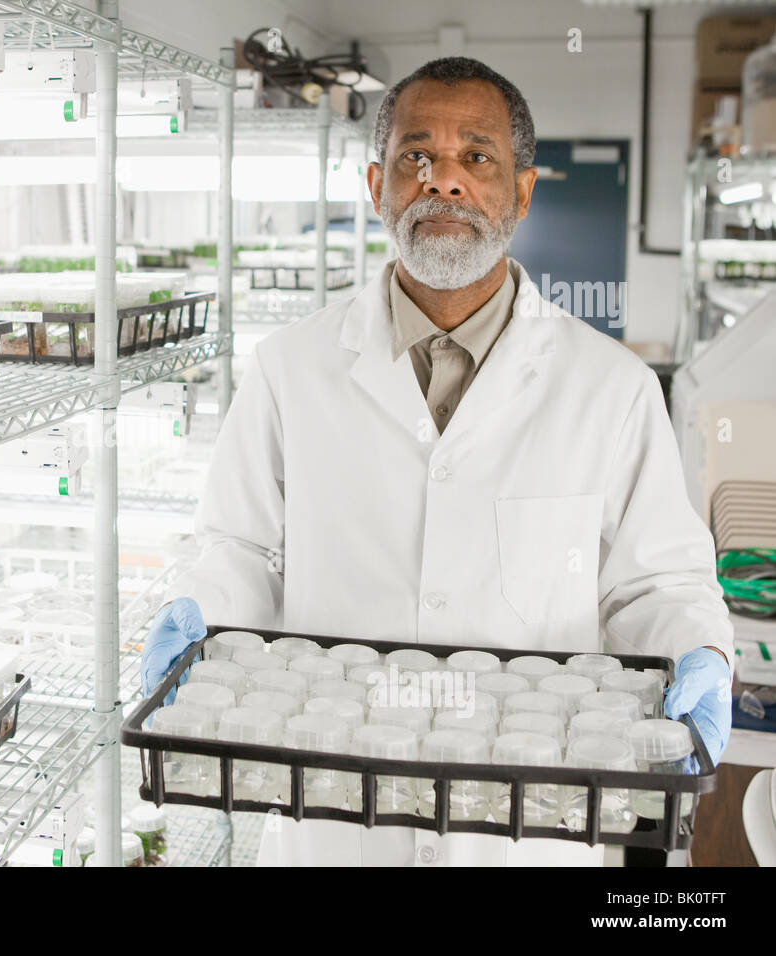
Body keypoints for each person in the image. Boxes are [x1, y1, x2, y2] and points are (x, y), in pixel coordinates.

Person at [141, 56, 734, 866]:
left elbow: (656, 585)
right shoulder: (290, 368)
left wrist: (700, 650)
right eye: (417, 157)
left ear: (521, 193)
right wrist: (198, 615)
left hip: (530, 828)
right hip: (335, 822)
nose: (442, 181)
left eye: (476, 158)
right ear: (377, 184)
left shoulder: (613, 390)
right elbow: (238, 548)